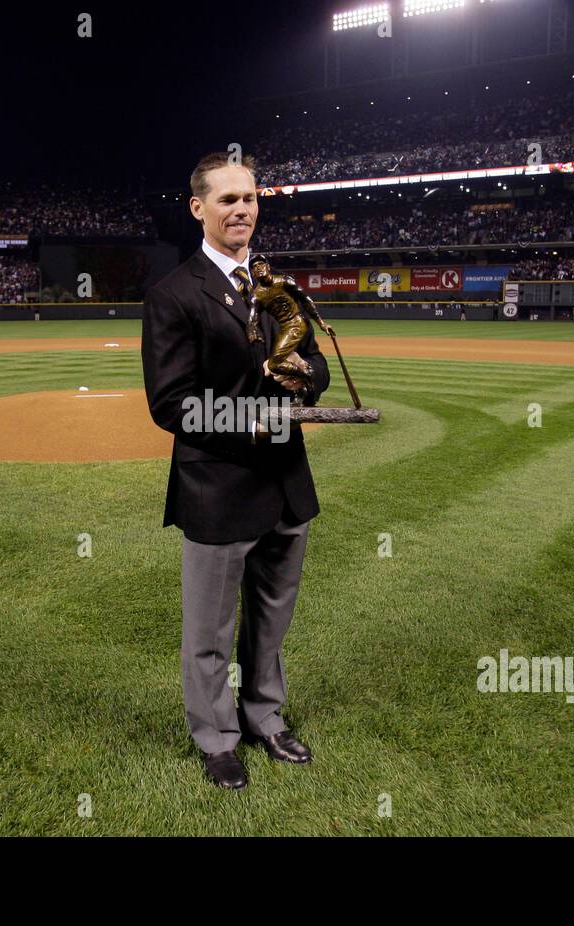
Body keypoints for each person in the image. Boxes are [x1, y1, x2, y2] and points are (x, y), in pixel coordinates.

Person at [141, 152, 330, 790]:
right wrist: (249, 420)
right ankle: (217, 737)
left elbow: (316, 364)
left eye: (249, 198)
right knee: (210, 631)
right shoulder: (173, 294)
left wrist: (304, 375)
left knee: (271, 619)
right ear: (198, 208)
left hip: (285, 482)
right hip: (218, 486)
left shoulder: (278, 287)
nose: (241, 209)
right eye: (227, 200)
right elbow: (170, 403)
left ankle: (264, 717)